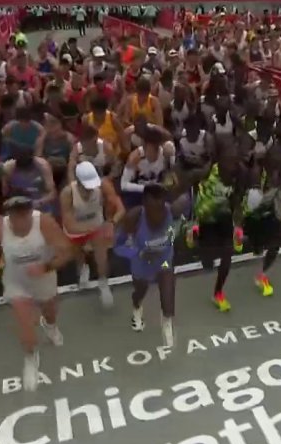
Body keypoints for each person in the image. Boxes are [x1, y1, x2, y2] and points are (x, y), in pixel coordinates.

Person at [0, 196, 72, 392]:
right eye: (16, 214)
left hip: (44, 278)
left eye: (24, 212)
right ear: (9, 215)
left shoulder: (45, 223)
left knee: (50, 311)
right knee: (24, 322)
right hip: (16, 282)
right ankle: (31, 358)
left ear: (31, 212)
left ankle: (50, 326)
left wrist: (46, 266)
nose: (21, 218)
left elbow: (67, 252)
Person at [114, 183, 190, 348]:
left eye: (161, 208)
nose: (158, 214)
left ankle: (167, 324)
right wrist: (138, 253)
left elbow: (185, 205)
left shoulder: (173, 212)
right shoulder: (133, 217)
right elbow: (118, 246)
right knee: (140, 292)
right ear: (145, 205)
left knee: (168, 291)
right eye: (153, 209)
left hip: (164, 259)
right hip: (142, 263)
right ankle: (137, 308)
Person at [186, 145, 247, 311]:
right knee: (208, 263)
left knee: (227, 253)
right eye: (228, 161)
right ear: (219, 161)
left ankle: (218, 293)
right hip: (205, 215)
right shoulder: (208, 171)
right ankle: (195, 233)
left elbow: (237, 200)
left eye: (234, 161)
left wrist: (238, 227)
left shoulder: (239, 173)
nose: (232, 165)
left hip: (223, 214)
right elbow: (191, 179)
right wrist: (193, 213)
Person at [61, 162, 123, 306]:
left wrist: (111, 223)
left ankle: (103, 283)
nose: (90, 188)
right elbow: (69, 224)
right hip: (75, 229)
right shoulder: (67, 193)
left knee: (101, 257)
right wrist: (89, 229)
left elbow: (120, 209)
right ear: (79, 181)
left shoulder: (103, 186)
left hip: (96, 224)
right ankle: (83, 268)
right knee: (78, 254)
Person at [246, 149, 281, 297]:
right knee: (257, 243)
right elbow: (251, 200)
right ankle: (253, 241)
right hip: (256, 209)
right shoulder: (256, 172)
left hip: (273, 209)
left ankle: (262, 274)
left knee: (275, 244)